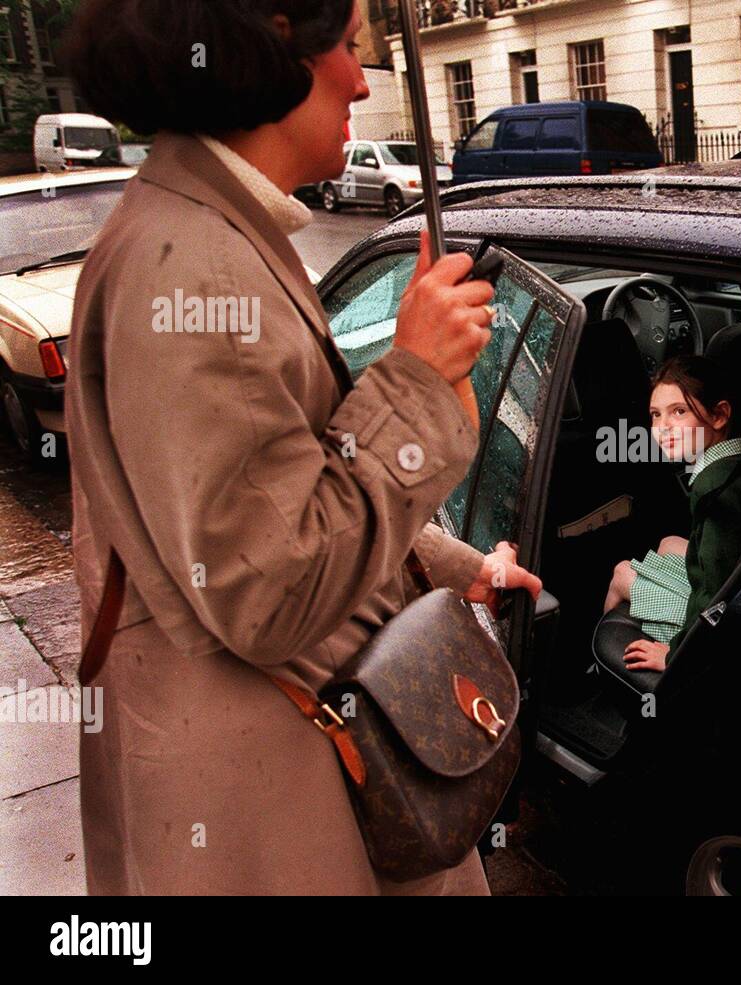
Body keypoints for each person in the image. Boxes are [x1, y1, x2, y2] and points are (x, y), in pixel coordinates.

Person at [63, 0, 540, 895]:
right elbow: (269, 589)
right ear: (273, 39)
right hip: (276, 795)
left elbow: (284, 472)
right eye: (347, 45)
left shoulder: (206, 230)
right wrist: (413, 376)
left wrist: (443, 561)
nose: (362, 77)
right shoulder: (197, 271)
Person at [602, 356, 741, 673]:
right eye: (655, 415)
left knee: (622, 573)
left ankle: (603, 673)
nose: (662, 428)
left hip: (718, 628)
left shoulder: (718, 496)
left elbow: (714, 599)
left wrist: (674, 655)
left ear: (719, 415)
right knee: (668, 542)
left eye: (679, 412)